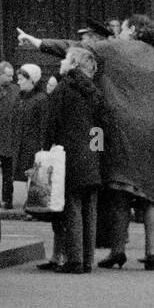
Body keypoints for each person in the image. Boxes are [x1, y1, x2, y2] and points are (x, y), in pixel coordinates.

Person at [21, 14, 154, 270]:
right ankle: (153, 254)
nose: (119, 33)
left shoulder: (112, 48)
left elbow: (75, 48)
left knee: (119, 191)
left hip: (119, 130)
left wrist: (39, 43)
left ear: (132, 30)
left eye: (124, 28)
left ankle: (117, 251)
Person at [42, 44, 103, 273]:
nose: (61, 62)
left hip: (68, 153)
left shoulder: (64, 87)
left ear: (74, 64)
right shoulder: (95, 90)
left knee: (72, 205)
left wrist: (46, 150)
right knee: (90, 208)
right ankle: (87, 259)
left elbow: (52, 124)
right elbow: (100, 124)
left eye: (65, 59)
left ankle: (74, 260)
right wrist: (96, 151)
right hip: (91, 154)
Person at [0, 61, 20, 210]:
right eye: (9, 76)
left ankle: (7, 200)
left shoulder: (16, 91)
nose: (12, 79)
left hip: (8, 135)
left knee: (8, 173)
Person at [14, 63, 48, 195]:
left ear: (32, 80)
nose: (18, 82)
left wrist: (42, 147)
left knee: (33, 175)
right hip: (22, 144)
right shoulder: (21, 98)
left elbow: (43, 125)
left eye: (21, 79)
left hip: (33, 146)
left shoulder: (41, 99)